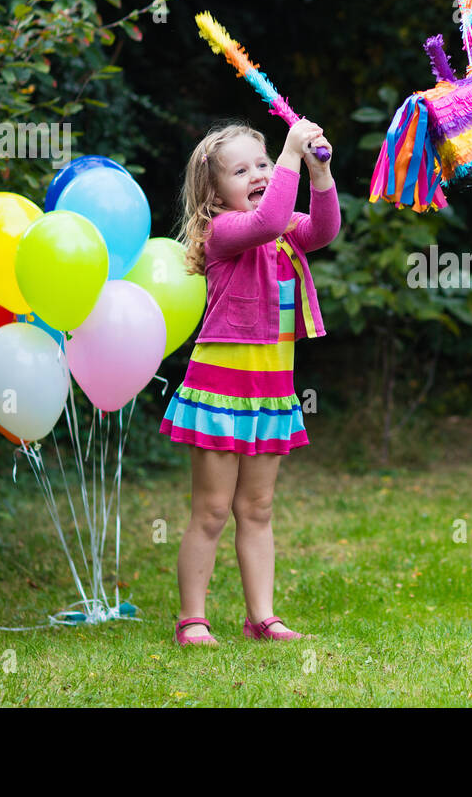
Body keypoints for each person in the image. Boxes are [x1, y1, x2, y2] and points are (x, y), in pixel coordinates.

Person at [161, 119, 338, 646]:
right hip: (220, 394)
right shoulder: (224, 232)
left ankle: (262, 616)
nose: (258, 173)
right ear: (214, 192)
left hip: (271, 394)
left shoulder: (283, 230)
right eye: (242, 170)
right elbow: (268, 218)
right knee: (212, 510)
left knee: (257, 510)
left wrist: (320, 172)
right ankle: (192, 618)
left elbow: (324, 230)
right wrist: (289, 154)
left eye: (263, 164)